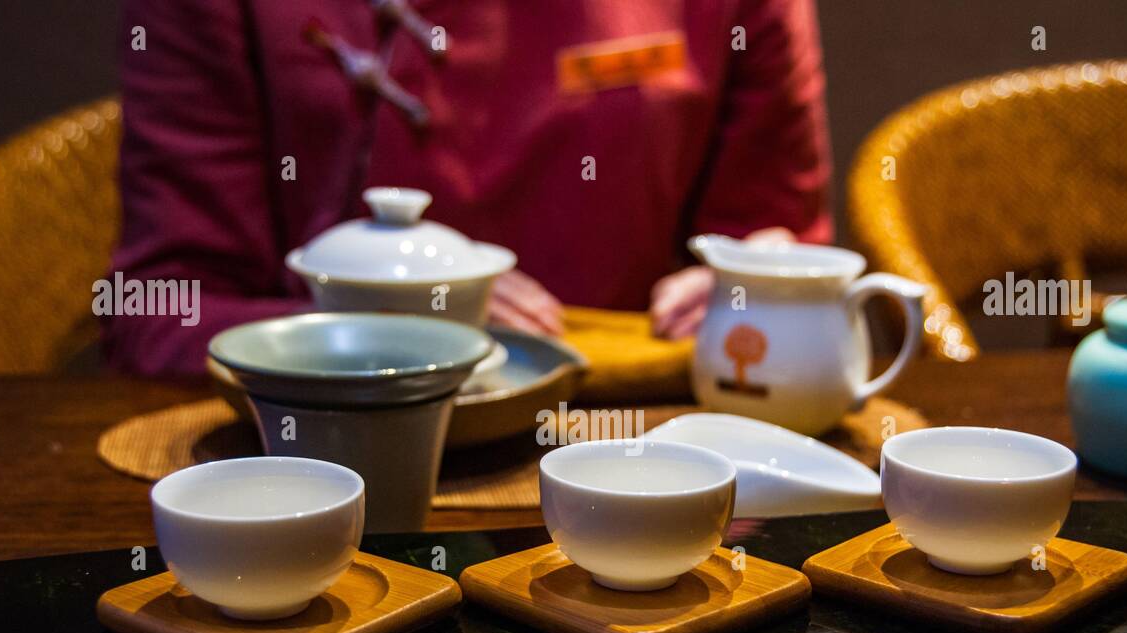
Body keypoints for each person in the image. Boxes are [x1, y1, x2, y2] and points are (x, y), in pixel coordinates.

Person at [107, 0, 831, 375]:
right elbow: (158, 310)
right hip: (318, 472)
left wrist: (770, 284)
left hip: (642, 474)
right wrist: (371, 326)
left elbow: (779, 238)